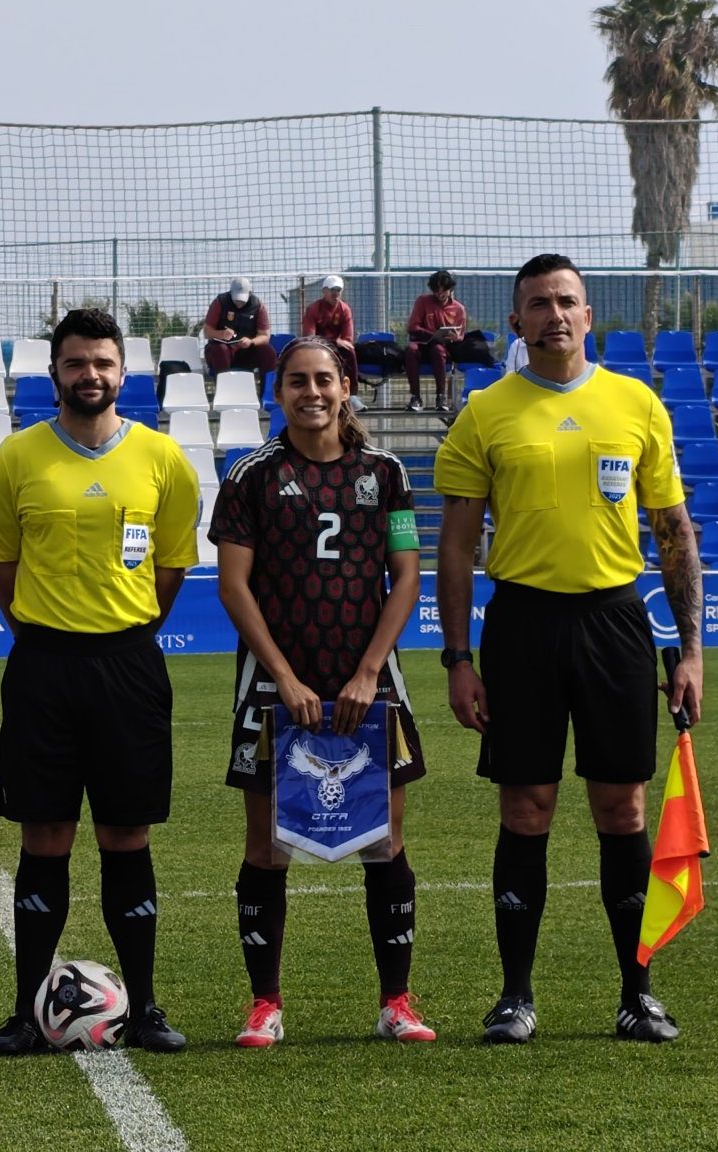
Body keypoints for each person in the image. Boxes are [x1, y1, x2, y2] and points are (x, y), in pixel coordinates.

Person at [434, 253, 704, 1046]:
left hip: (616, 625)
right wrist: (458, 658)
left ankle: (637, 994)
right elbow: (455, 548)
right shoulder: (484, 412)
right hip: (521, 624)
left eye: (568, 301)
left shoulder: (635, 403)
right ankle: (515, 996)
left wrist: (690, 652)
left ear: (590, 316)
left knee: (623, 808)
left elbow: (673, 534)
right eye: (538, 304)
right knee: (527, 808)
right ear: (515, 322)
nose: (555, 314)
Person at [0, 307, 201, 1055]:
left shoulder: (164, 460)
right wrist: (50, 632)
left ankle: (146, 1008)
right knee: (45, 834)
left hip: (129, 665)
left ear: (122, 372)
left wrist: (122, 633)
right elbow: (2, 572)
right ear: (56, 374)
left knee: (126, 834)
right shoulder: (15, 459)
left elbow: (170, 569)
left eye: (103, 363)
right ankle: (23, 1014)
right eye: (77, 364)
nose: (91, 375)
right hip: (43, 665)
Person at [209, 336, 436, 1048]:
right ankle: (264, 1004)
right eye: (298, 381)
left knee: (386, 843)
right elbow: (233, 586)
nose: (313, 392)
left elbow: (407, 576)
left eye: (325, 380)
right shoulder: (248, 476)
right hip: (276, 690)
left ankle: (396, 1001)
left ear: (346, 389)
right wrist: (285, 676)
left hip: (372, 688)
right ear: (279, 394)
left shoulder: (389, 474)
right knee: (267, 848)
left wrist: (369, 671)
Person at [403, 270, 466, 412]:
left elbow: (461, 334)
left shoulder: (459, 309)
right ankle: (415, 397)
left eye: (444, 291)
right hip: (422, 344)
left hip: (442, 348)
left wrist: (456, 338)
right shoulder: (422, 301)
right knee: (410, 349)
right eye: (436, 291)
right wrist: (431, 334)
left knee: (438, 350)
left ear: (450, 289)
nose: (440, 294)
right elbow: (413, 326)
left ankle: (440, 397)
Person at [300, 275, 363, 411]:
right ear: (324, 291)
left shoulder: (345, 309)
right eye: (332, 290)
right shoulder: (313, 309)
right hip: (317, 348)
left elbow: (348, 339)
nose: (335, 294)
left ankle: (352, 395)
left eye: (338, 291)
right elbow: (310, 338)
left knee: (350, 351)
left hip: (337, 347)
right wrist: (333, 341)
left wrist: (340, 342)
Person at [203, 277, 278, 380]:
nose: (239, 303)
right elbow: (207, 332)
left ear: (250, 293)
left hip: (247, 350)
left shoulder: (257, 305)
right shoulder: (220, 302)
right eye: (236, 299)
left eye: (242, 300)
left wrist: (251, 342)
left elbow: (265, 335)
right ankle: (224, 389)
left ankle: (268, 391)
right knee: (220, 350)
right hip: (223, 349)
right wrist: (222, 334)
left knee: (268, 352)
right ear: (230, 293)